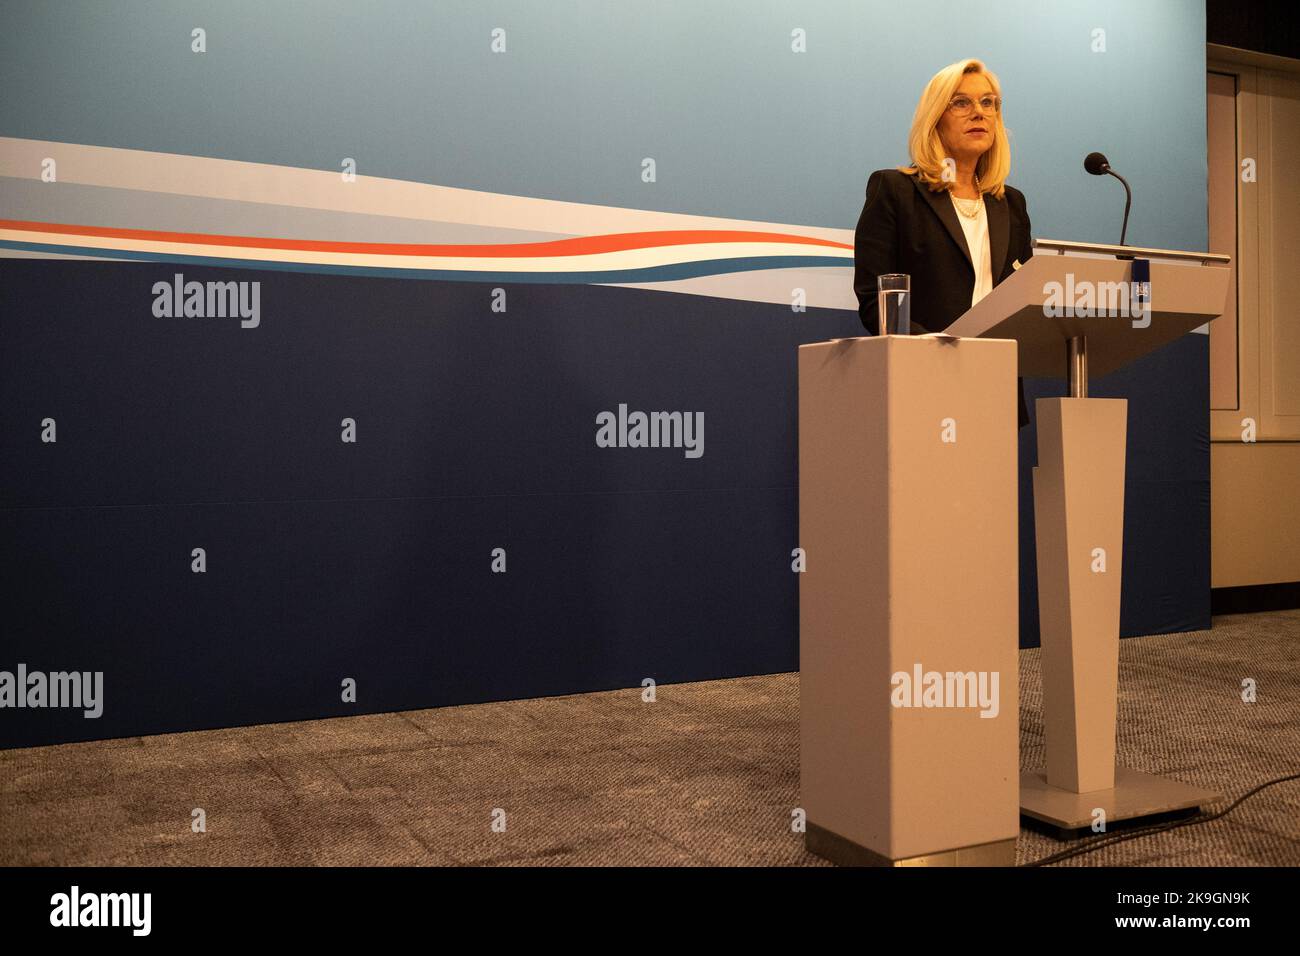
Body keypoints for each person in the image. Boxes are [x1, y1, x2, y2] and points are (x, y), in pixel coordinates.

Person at [853, 58, 1034, 428]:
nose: (979, 113)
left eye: (989, 103)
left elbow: (1019, 302)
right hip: (921, 384)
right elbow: (877, 304)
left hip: (994, 384)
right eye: (961, 103)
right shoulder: (896, 191)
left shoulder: (1010, 203)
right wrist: (941, 351)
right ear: (936, 117)